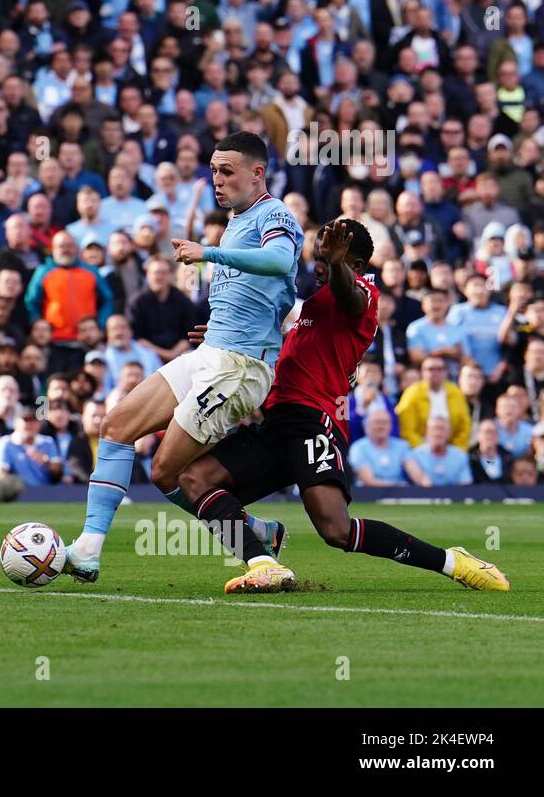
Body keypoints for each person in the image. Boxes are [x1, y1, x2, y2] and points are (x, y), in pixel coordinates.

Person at [176, 220, 506, 592]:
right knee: (193, 478)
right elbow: (285, 352)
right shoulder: (312, 309)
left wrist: (337, 267)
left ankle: (452, 562)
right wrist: (233, 337)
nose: (320, 264)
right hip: (276, 423)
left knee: (337, 530)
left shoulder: (363, 296)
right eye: (319, 256)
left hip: (311, 423)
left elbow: (351, 297)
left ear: (358, 267)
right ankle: (263, 560)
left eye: (331, 257)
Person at [66, 132, 302, 585]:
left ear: (257, 173)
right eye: (213, 170)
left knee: (167, 471)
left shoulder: (275, 214)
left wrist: (206, 252)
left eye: (227, 171)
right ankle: (88, 550)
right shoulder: (237, 220)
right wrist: (219, 326)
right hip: (213, 351)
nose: (217, 180)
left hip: (239, 369)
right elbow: (262, 297)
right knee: (115, 426)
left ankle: (257, 554)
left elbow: (277, 261)